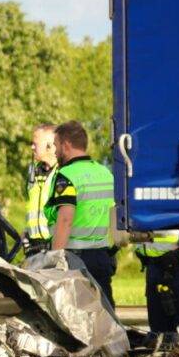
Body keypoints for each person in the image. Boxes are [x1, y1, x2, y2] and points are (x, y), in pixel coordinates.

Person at [43, 121, 116, 305]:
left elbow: (65, 219)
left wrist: (55, 260)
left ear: (66, 145)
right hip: (102, 257)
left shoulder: (67, 175)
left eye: (57, 145)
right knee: (104, 311)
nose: (55, 151)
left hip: (75, 259)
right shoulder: (105, 173)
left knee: (74, 314)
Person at [24, 123, 58, 255]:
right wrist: (26, 232)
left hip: (55, 247)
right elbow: (32, 209)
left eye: (35, 143)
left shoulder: (64, 173)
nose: (32, 147)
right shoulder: (33, 173)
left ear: (49, 146)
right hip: (32, 248)